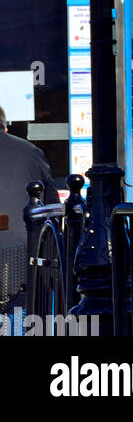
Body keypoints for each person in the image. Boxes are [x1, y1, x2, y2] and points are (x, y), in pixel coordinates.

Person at [0, 106, 61, 311]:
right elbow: (52, 203)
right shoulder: (30, 151)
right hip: (22, 253)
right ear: (6, 127)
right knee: (19, 312)